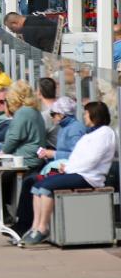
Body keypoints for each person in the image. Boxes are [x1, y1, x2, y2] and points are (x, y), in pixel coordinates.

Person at [21, 102, 117, 247]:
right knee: (37, 184)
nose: (84, 116)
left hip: (89, 177)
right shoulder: (91, 133)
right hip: (76, 171)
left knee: (46, 187)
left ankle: (43, 228)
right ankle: (35, 226)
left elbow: (91, 160)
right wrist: (67, 167)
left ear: (94, 114)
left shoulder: (105, 133)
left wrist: (68, 169)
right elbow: (77, 156)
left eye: (86, 113)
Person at [0, 81, 48, 228]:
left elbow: (13, 138)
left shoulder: (23, 112)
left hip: (24, 159)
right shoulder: (33, 111)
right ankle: (1, 214)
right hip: (30, 158)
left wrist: (1, 153)